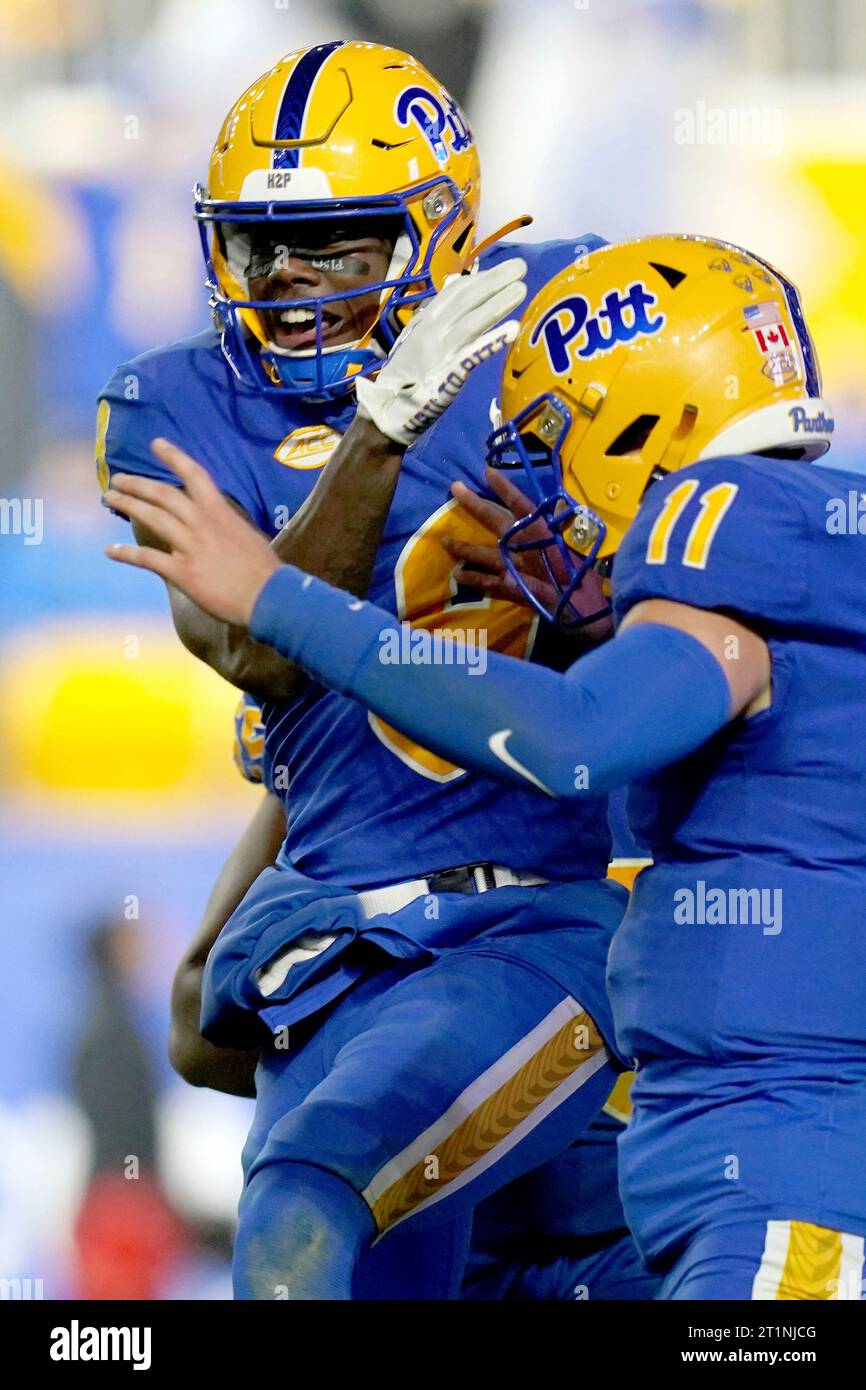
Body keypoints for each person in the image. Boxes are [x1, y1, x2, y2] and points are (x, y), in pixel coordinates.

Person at [104, 233, 866, 1301]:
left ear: (649, 418)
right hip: (719, 1186)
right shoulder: (779, 577)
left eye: (559, 432)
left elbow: (572, 738)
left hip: (782, 1190)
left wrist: (282, 601)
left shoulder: (730, 516)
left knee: (320, 1189)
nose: (543, 479)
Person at [98, 42, 653, 1298]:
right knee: (339, 1218)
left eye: (335, 244)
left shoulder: (560, 326)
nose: (287, 280)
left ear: (437, 232)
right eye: (259, 248)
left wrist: (591, 599)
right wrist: (380, 430)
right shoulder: (176, 403)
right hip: (349, 920)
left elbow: (703, 601)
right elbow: (260, 651)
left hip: (559, 902)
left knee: (329, 1198)